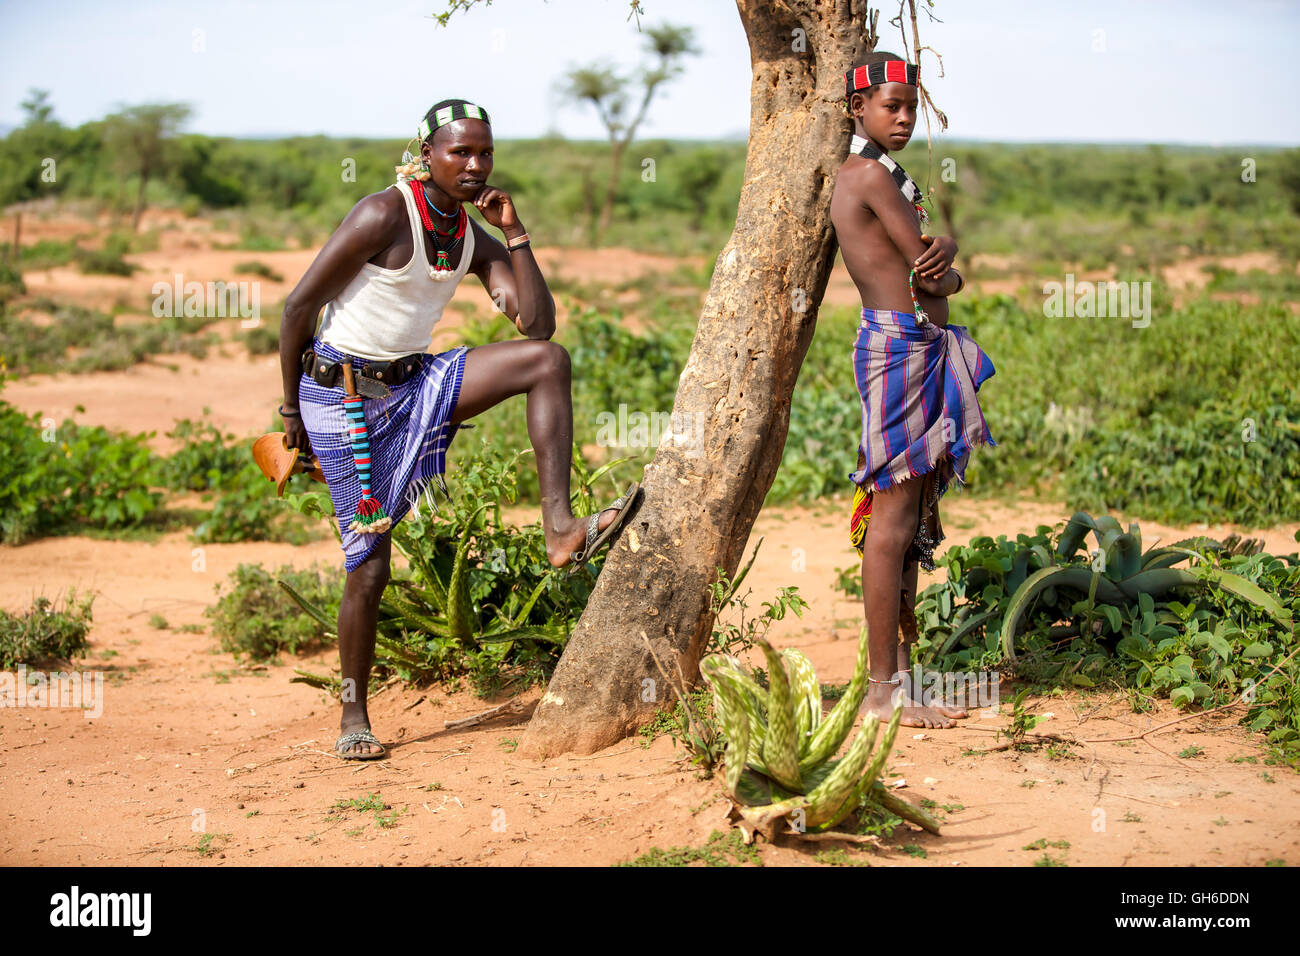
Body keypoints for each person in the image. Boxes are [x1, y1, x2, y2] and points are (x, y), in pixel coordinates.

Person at [278, 99, 638, 759]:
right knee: (370, 564)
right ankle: (353, 714)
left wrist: (516, 232)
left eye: (484, 154)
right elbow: (299, 305)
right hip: (343, 395)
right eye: (459, 153)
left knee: (546, 362)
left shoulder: (469, 233)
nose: (474, 166)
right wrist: (291, 413)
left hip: (414, 385)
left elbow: (535, 324)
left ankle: (561, 529)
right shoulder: (384, 213)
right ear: (428, 155)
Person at [829, 55, 996, 729]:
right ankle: (879, 691)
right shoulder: (868, 173)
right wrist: (948, 254)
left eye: (910, 107)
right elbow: (932, 278)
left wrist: (942, 259)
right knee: (893, 521)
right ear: (856, 109)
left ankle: (900, 678)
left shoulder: (876, 174)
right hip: (900, 347)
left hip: (913, 347)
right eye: (890, 106)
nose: (903, 117)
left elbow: (931, 269)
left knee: (910, 521)